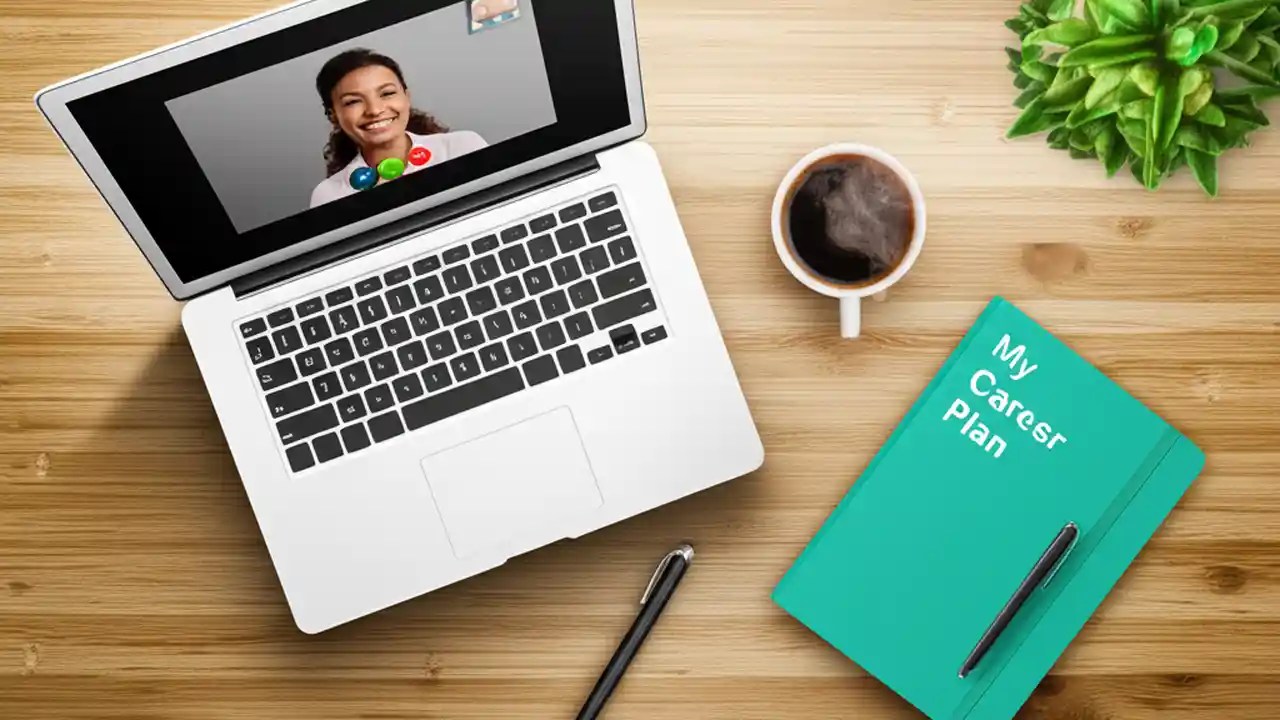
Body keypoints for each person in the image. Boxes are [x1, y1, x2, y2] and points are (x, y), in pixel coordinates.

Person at [309, 49, 487, 208]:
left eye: (387, 93)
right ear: (333, 115)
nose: (375, 110)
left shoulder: (463, 146)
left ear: (406, 97)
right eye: (353, 101)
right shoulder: (328, 194)